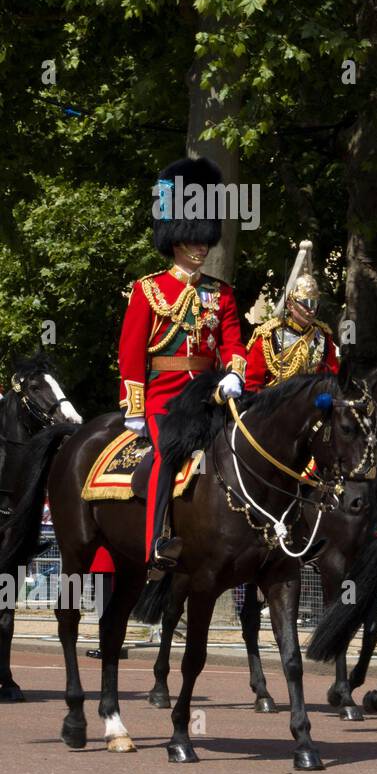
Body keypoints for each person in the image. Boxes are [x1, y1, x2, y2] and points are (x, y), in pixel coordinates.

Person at [118, 158, 246, 579]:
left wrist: (235, 373)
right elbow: (132, 351)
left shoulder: (220, 293)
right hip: (164, 398)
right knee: (167, 456)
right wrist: (134, 407)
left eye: (205, 239)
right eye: (195, 239)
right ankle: (155, 542)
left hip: (210, 394)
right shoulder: (148, 289)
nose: (202, 247)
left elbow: (233, 343)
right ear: (176, 240)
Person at [244, 248, 339, 392]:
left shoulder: (323, 335)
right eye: (306, 304)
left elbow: (332, 377)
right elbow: (252, 383)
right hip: (276, 404)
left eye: (314, 304)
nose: (311, 310)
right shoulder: (268, 336)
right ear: (290, 305)